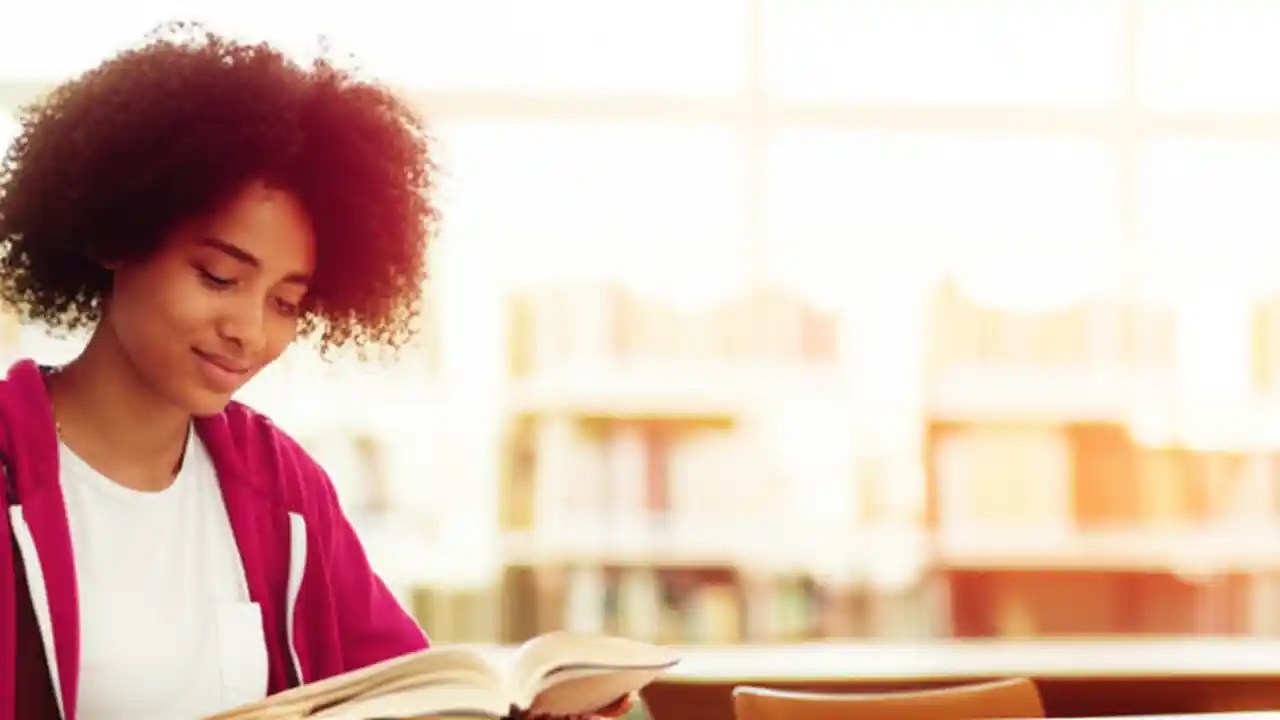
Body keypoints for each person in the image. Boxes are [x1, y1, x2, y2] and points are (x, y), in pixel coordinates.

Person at [0, 22, 629, 720]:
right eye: (217, 276)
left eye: (285, 302)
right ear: (116, 234)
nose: (248, 331)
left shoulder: (282, 488)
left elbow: (404, 693)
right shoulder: (10, 462)